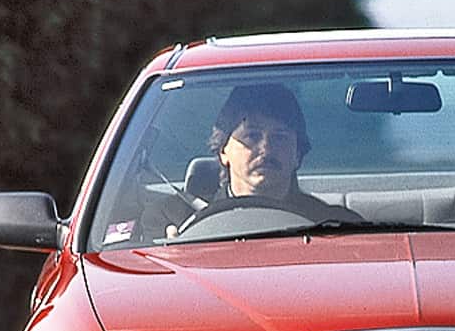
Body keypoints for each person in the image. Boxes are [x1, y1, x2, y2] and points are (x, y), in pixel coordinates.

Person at [144, 82, 362, 239]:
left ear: (297, 154)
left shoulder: (339, 228)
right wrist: (172, 252)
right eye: (252, 136)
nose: (266, 149)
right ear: (223, 151)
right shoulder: (169, 219)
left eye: (280, 137)